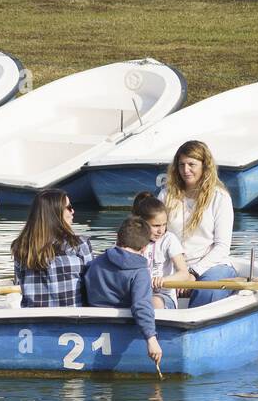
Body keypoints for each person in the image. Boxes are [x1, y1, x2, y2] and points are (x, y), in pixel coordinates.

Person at [157, 140, 237, 307]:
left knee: (209, 291)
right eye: (181, 165)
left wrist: (193, 272)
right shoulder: (166, 195)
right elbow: (156, 236)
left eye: (191, 164)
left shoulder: (220, 198)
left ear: (204, 165)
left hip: (211, 266)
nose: (186, 170)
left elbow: (222, 247)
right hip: (175, 266)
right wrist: (180, 272)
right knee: (153, 295)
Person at [82, 216, 164, 367]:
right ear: (144, 248)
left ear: (117, 238)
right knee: (161, 302)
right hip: (125, 327)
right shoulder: (140, 272)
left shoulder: (96, 263)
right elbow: (141, 306)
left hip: (94, 325)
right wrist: (151, 339)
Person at [10, 188, 93, 307]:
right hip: (73, 320)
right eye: (69, 207)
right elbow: (92, 286)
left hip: (33, 321)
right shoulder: (80, 244)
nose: (73, 211)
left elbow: (19, 282)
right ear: (56, 213)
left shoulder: (20, 247)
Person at [132, 192, 188, 310]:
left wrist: (163, 280)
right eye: (156, 226)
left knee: (154, 302)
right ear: (141, 222)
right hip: (136, 295)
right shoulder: (131, 240)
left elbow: (184, 273)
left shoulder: (169, 239)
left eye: (164, 225)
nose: (161, 230)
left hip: (162, 296)